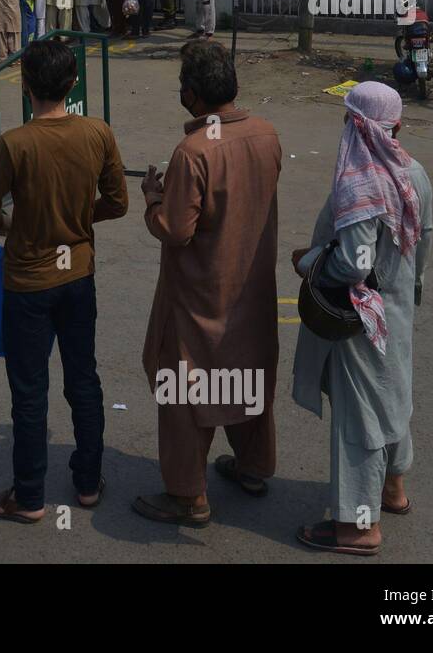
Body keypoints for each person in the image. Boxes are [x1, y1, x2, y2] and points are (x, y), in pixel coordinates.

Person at [0, 39, 128, 521]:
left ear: (25, 85)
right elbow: (118, 202)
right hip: (77, 274)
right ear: (74, 83)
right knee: (83, 379)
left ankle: (30, 495)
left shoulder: (15, 144)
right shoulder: (97, 132)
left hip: (28, 281)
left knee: (29, 390)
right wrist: (79, 221)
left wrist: (18, 224)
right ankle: (87, 481)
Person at [134, 40, 282, 527]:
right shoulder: (266, 135)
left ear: (194, 95)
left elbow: (177, 230)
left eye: (182, 87)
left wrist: (154, 201)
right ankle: (254, 467)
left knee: (183, 390)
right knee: (249, 374)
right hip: (252, 287)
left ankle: (187, 495)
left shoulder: (193, 151)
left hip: (199, 294)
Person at [291, 82, 433, 556]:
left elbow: (353, 264)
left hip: (361, 321)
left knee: (359, 419)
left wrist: (310, 263)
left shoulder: (361, 183)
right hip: (396, 311)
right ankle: (392, 490)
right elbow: (422, 243)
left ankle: (358, 526)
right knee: (393, 400)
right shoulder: (415, 173)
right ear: (396, 126)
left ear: (356, 125)